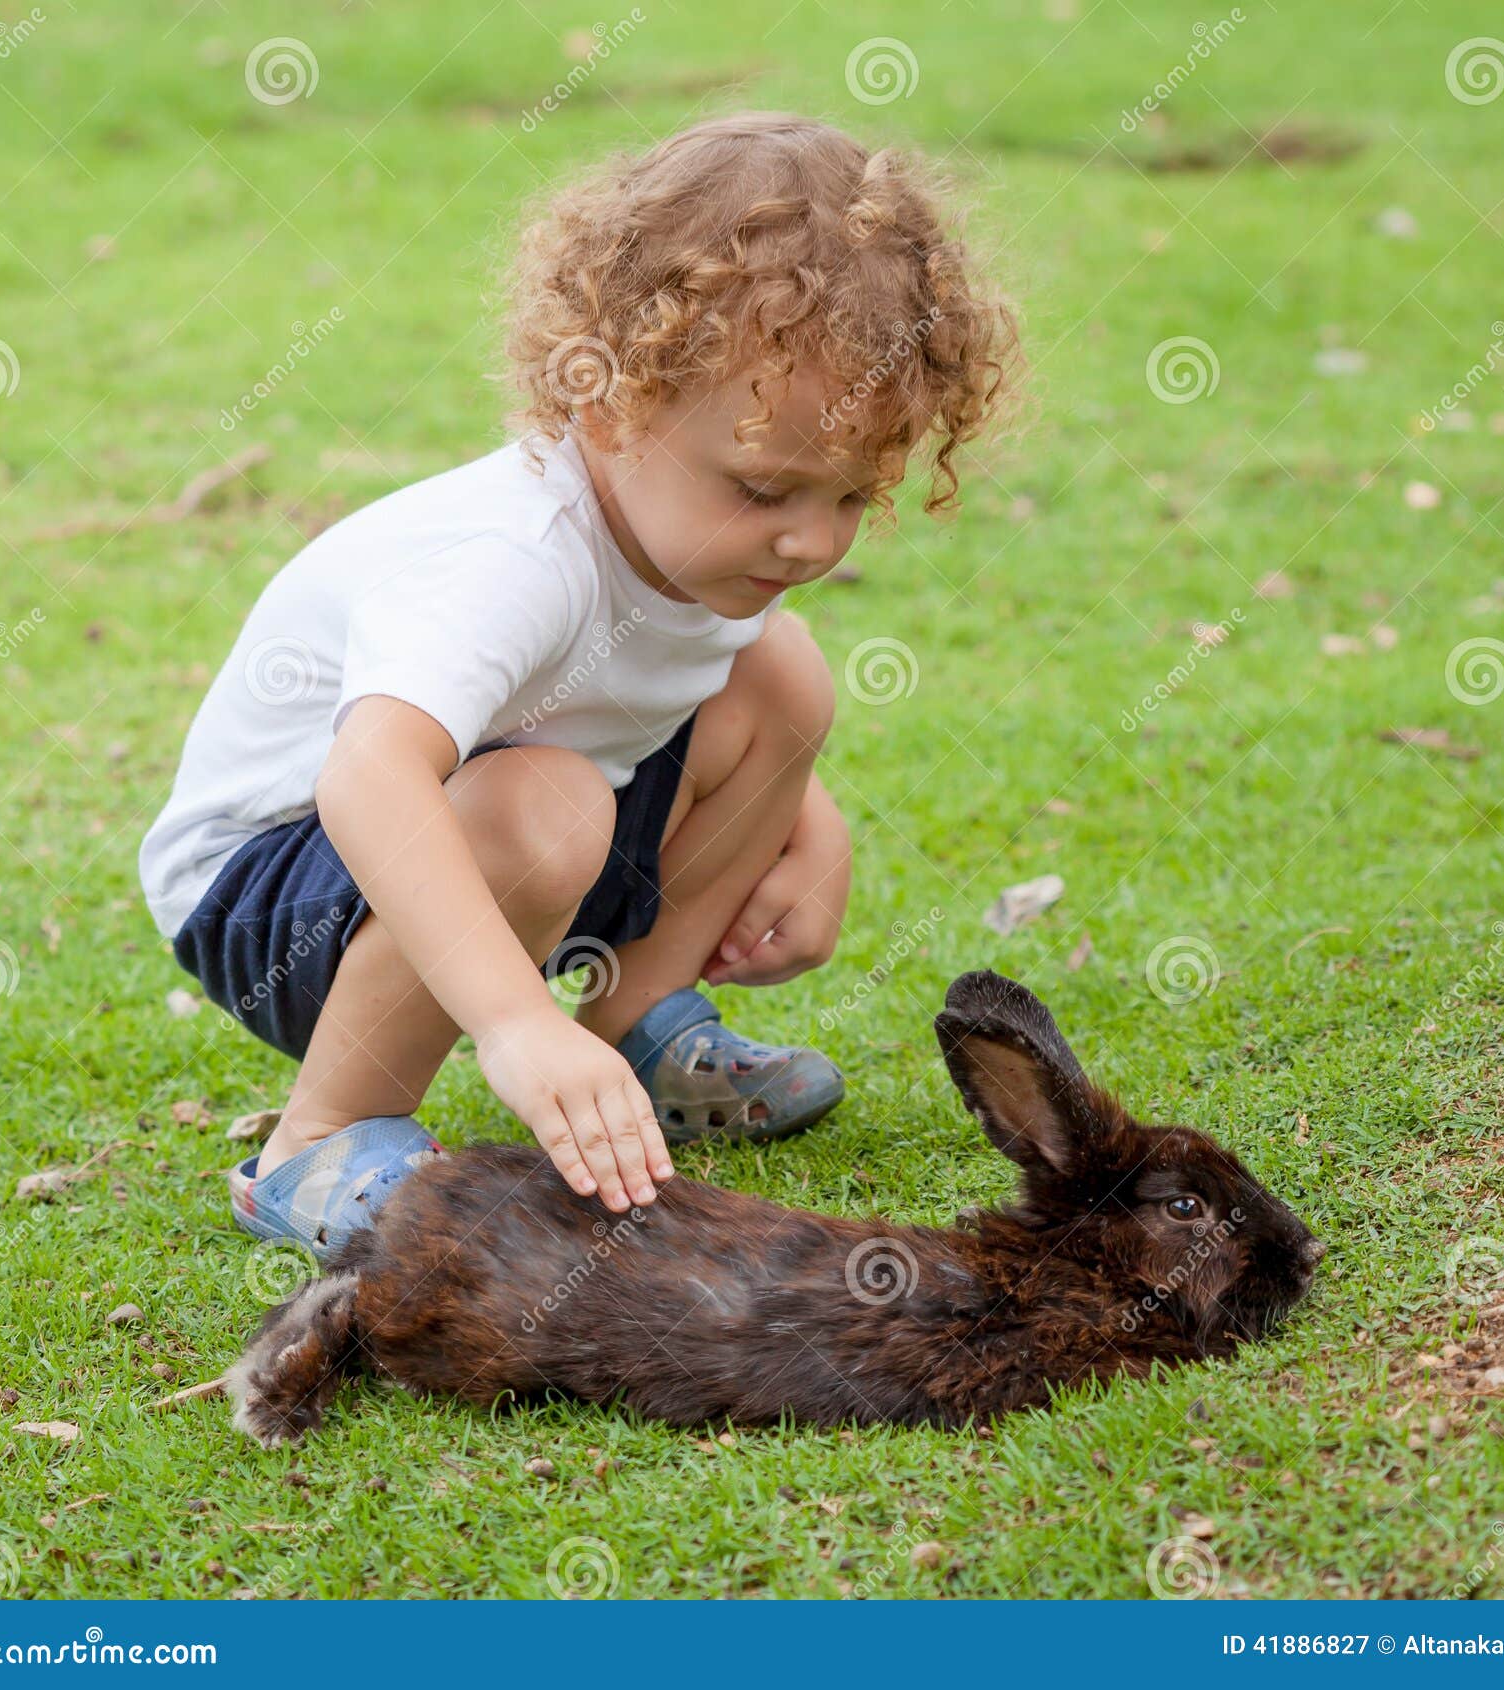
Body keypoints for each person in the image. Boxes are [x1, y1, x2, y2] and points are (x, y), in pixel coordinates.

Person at [137, 111, 1017, 1259]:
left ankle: (635, 1030)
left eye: (850, 495)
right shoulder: (514, 559)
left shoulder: (692, 540)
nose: (810, 540)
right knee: (544, 806)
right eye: (764, 490)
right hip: (272, 897)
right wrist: (512, 1026)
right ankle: (322, 1137)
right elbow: (369, 775)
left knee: (782, 674)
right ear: (611, 407)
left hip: (501, 841)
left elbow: (677, 683)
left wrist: (809, 824)